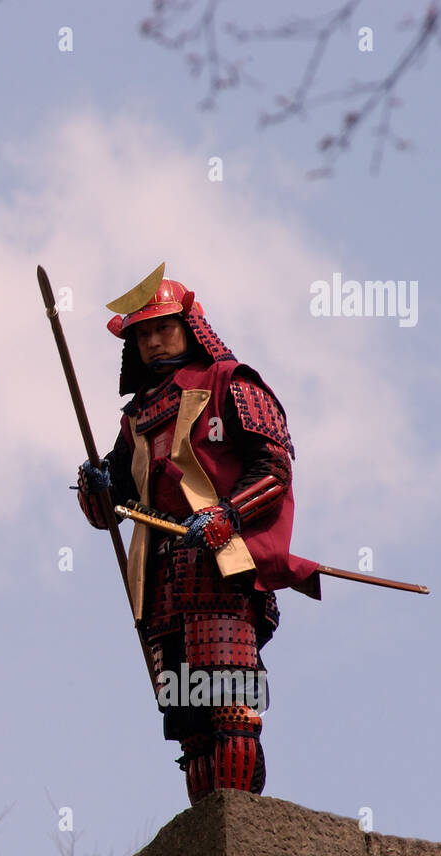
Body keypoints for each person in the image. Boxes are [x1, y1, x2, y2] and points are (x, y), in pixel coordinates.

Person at [76, 265, 320, 804]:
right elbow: (112, 509)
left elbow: (274, 468)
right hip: (158, 582)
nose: (153, 340)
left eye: (161, 327)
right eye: (142, 334)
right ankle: (205, 829)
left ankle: (239, 830)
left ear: (190, 327)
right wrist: (94, 489)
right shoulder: (135, 417)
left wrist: (227, 514)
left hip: (218, 568)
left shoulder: (231, 381)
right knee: (190, 723)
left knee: (230, 706)